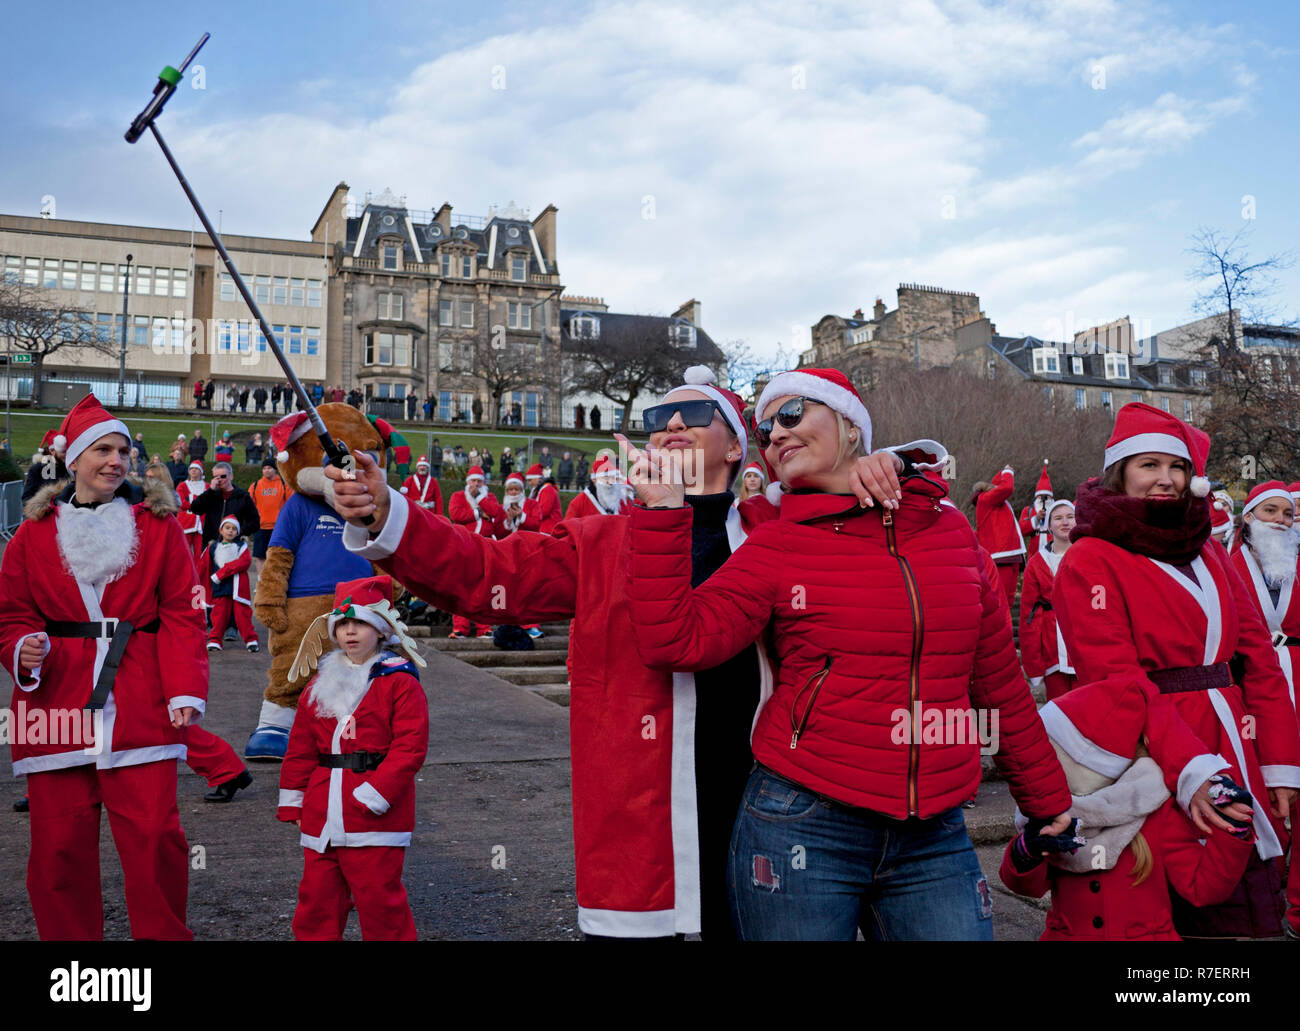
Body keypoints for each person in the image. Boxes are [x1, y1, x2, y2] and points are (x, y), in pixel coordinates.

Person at [325, 365, 920, 939]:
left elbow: (876, 507)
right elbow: (486, 572)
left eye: (694, 413)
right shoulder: (600, 542)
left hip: (766, 809)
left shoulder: (782, 531)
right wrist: (388, 511)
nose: (672, 425)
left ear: (737, 447)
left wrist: (884, 462)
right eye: (659, 416)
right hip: (636, 819)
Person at [617, 366, 1073, 941]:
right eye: (765, 429)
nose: (776, 434)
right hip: (802, 820)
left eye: (791, 414)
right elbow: (676, 640)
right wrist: (661, 512)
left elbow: (996, 682)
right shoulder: (779, 542)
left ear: (851, 427)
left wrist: (1046, 799)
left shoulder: (951, 531)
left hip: (933, 834)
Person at [1048, 402, 1300, 939]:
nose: (1166, 479)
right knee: (1165, 912)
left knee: (1237, 908)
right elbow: (1117, 682)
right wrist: (1193, 773)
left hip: (1234, 742)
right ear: (1121, 472)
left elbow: (1257, 658)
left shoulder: (1208, 551)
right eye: (1149, 466)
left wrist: (1279, 764)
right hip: (1150, 753)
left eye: (1178, 467)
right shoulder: (1091, 557)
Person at [0, 393, 207, 939]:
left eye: (123, 450)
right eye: (103, 450)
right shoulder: (32, 535)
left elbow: (184, 614)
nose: (118, 460)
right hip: (54, 704)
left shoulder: (159, 527)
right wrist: (21, 648)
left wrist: (185, 690)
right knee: (58, 848)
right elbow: (12, 614)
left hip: (139, 695)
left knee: (156, 838)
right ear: (75, 462)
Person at [1000, 686, 1254, 940]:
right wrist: (1026, 851)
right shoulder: (1051, 811)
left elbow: (1204, 888)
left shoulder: (1155, 808)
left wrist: (1232, 829)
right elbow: (1025, 886)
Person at [277, 575, 428, 940]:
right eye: (343, 623)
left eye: (359, 622)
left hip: (375, 814)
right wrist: (294, 800)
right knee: (316, 903)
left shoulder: (400, 681)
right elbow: (300, 746)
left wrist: (377, 793)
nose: (350, 631)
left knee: (381, 906)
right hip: (322, 812)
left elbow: (410, 746)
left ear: (380, 629)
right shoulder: (319, 683)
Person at [142, 464, 251, 802]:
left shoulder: (157, 524)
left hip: (138, 634)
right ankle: (49, 775)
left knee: (158, 719)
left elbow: (182, 594)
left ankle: (226, 768)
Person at [1227, 480, 1300, 938]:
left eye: (1287, 514)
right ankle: (1263, 899)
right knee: (1261, 794)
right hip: (1248, 685)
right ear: (1249, 517)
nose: (1280, 520)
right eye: (1270, 511)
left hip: (1298, 674)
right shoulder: (1227, 565)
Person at [1018, 498, 1076, 701]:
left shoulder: (1090, 556)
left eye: (1070, 517)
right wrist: (1034, 665)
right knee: (1059, 717)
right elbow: (1029, 616)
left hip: (1086, 655)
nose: (1065, 522)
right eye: (1058, 518)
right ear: (1049, 525)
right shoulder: (1037, 563)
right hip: (1053, 654)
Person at [446, 467, 504, 638]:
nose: (476, 484)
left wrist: (479, 498)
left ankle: (484, 628)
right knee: (461, 587)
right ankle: (460, 627)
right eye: (473, 481)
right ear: (468, 481)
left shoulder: (490, 497)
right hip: (464, 544)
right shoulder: (458, 496)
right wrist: (479, 512)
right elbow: (456, 514)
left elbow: (495, 512)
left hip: (486, 546)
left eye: (479, 481)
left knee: (485, 589)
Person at [970, 464, 1025, 609]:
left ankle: (1005, 629)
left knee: (1007, 600)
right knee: (1001, 601)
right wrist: (1007, 472)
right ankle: (1001, 630)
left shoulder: (995, 502)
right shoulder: (985, 498)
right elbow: (1007, 488)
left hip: (1010, 555)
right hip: (1001, 556)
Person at [200, 516, 258, 652]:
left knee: (242, 615)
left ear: (237, 532)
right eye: (227, 528)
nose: (230, 531)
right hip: (220, 588)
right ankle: (214, 639)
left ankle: (251, 640)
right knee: (218, 615)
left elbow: (244, 563)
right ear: (221, 530)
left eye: (233, 529)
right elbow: (202, 566)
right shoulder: (213, 547)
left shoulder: (241, 547)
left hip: (238, 589)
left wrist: (221, 573)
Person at [190, 461, 260, 544]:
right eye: (216, 477)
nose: (219, 480)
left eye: (223, 476)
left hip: (234, 545)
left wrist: (238, 531)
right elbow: (195, 509)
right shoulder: (211, 495)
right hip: (212, 544)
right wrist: (210, 491)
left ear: (231, 476)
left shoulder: (243, 497)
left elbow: (255, 522)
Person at [251, 459, 289, 577]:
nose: (266, 470)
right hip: (261, 527)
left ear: (275, 469)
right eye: (264, 468)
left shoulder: (284, 484)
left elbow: (290, 506)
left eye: (269, 468)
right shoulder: (255, 485)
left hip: (279, 528)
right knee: (260, 556)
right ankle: (260, 581)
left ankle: (275, 580)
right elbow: (250, 506)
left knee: (276, 556)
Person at [565, 455, 630, 518]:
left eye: (613, 477)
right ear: (594, 479)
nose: (611, 482)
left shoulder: (620, 501)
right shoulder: (579, 503)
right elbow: (566, 527)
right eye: (606, 477)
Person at [22, 430, 68, 504]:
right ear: (52, 451)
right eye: (63, 451)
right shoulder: (38, 469)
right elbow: (27, 498)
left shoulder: (70, 468)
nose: (66, 454)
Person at [1019, 460, 1053, 557]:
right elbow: (1021, 530)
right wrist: (1036, 519)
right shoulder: (1028, 510)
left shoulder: (1057, 509)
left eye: (1046, 496)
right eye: (1040, 496)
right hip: (1034, 550)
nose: (1043, 499)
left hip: (1054, 548)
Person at [523, 463, 561, 533]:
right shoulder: (540, 490)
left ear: (537, 478)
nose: (529, 483)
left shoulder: (547, 490)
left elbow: (543, 511)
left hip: (548, 529)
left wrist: (527, 517)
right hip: (545, 528)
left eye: (530, 480)